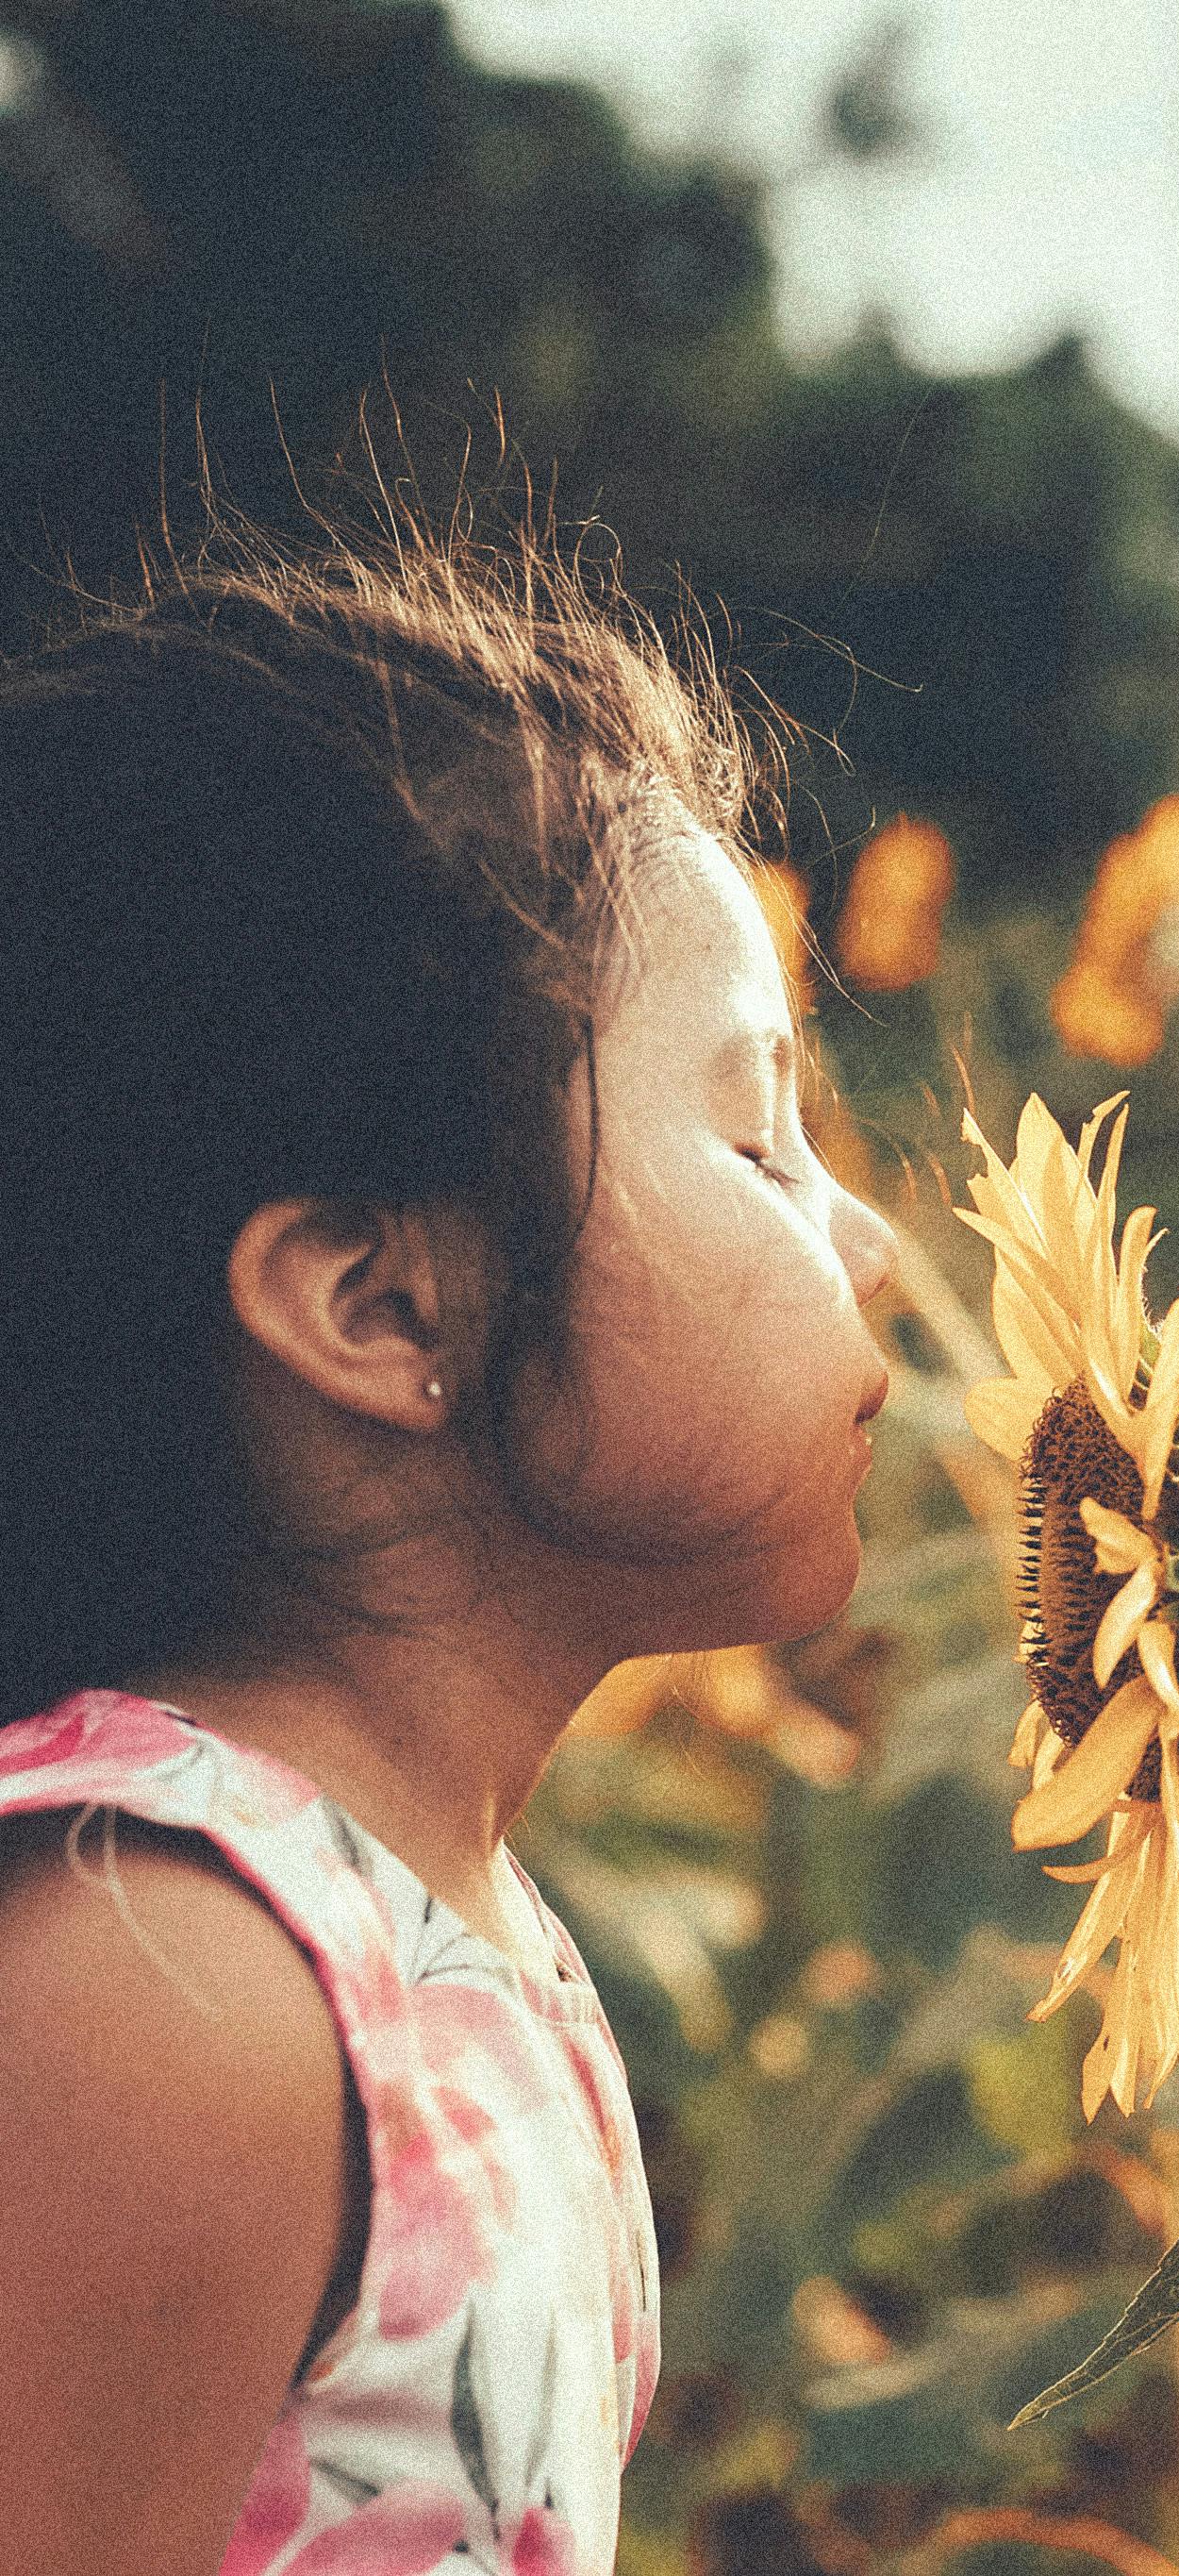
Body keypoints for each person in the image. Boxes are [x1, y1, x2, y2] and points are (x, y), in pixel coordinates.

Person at [0, 484, 898, 2575]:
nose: (861, 1239)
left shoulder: (445, 1920)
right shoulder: (171, 1987)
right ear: (382, 1304)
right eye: (756, 1134)